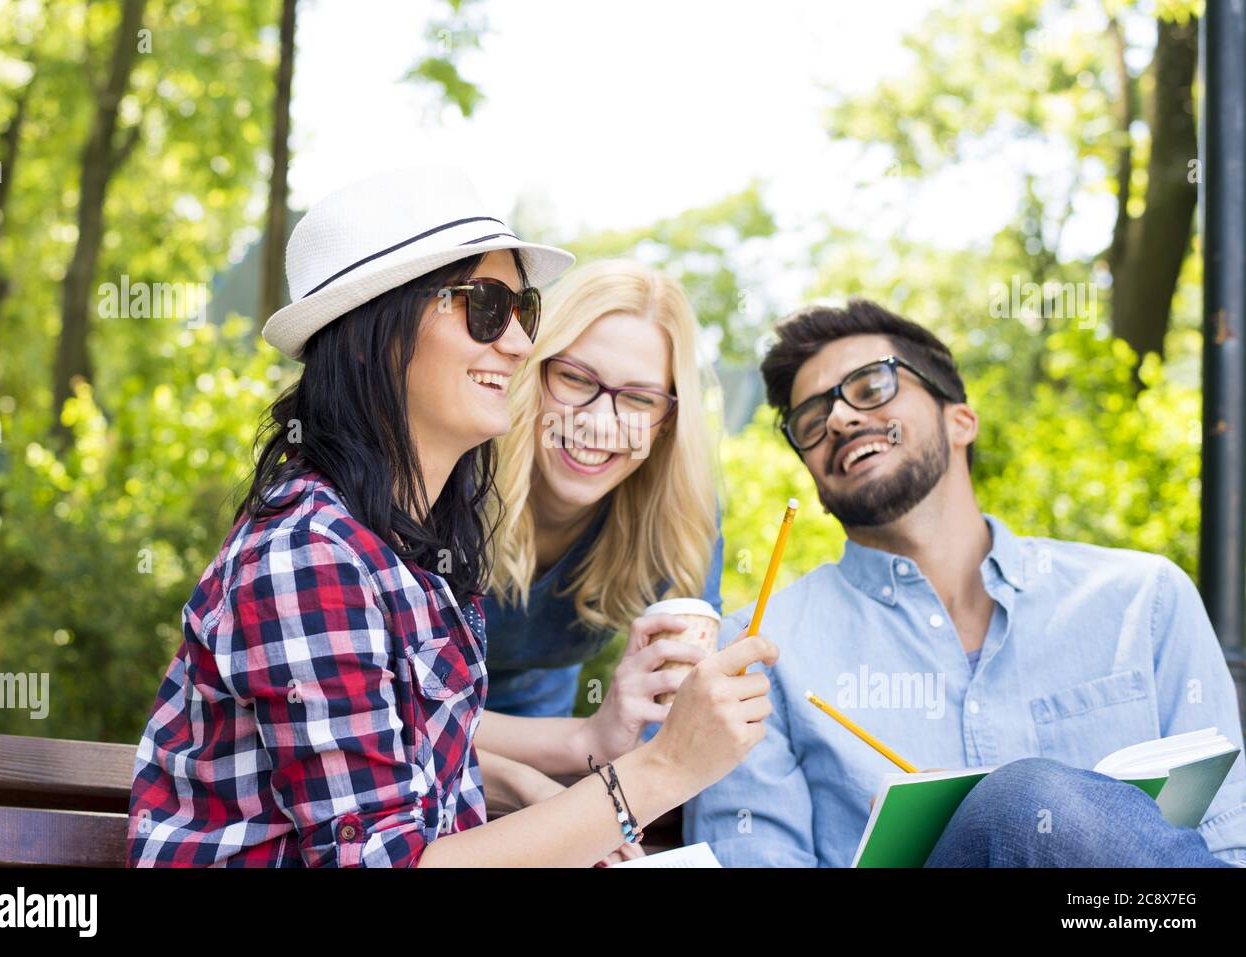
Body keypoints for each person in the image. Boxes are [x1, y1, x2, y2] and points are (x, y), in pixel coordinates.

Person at [126, 167, 777, 867]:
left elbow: (409, 766)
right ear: (379, 331)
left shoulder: (414, 551)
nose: (522, 345)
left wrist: (537, 782)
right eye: (485, 308)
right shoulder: (309, 555)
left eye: (522, 311)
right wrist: (661, 770)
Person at [684, 298, 1246, 867]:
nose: (838, 420)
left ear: (961, 420)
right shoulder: (759, 650)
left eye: (871, 387)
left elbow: (1228, 844)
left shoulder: (1144, 600)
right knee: (1021, 801)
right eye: (811, 421)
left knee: (1027, 801)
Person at [471, 260, 726, 822]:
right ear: (531, 372)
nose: (598, 423)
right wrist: (570, 747)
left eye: (638, 399)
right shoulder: (452, 480)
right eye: (577, 380)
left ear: (667, 423)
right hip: (419, 725)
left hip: (546, 723)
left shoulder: (679, 520)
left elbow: (673, 724)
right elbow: (386, 704)